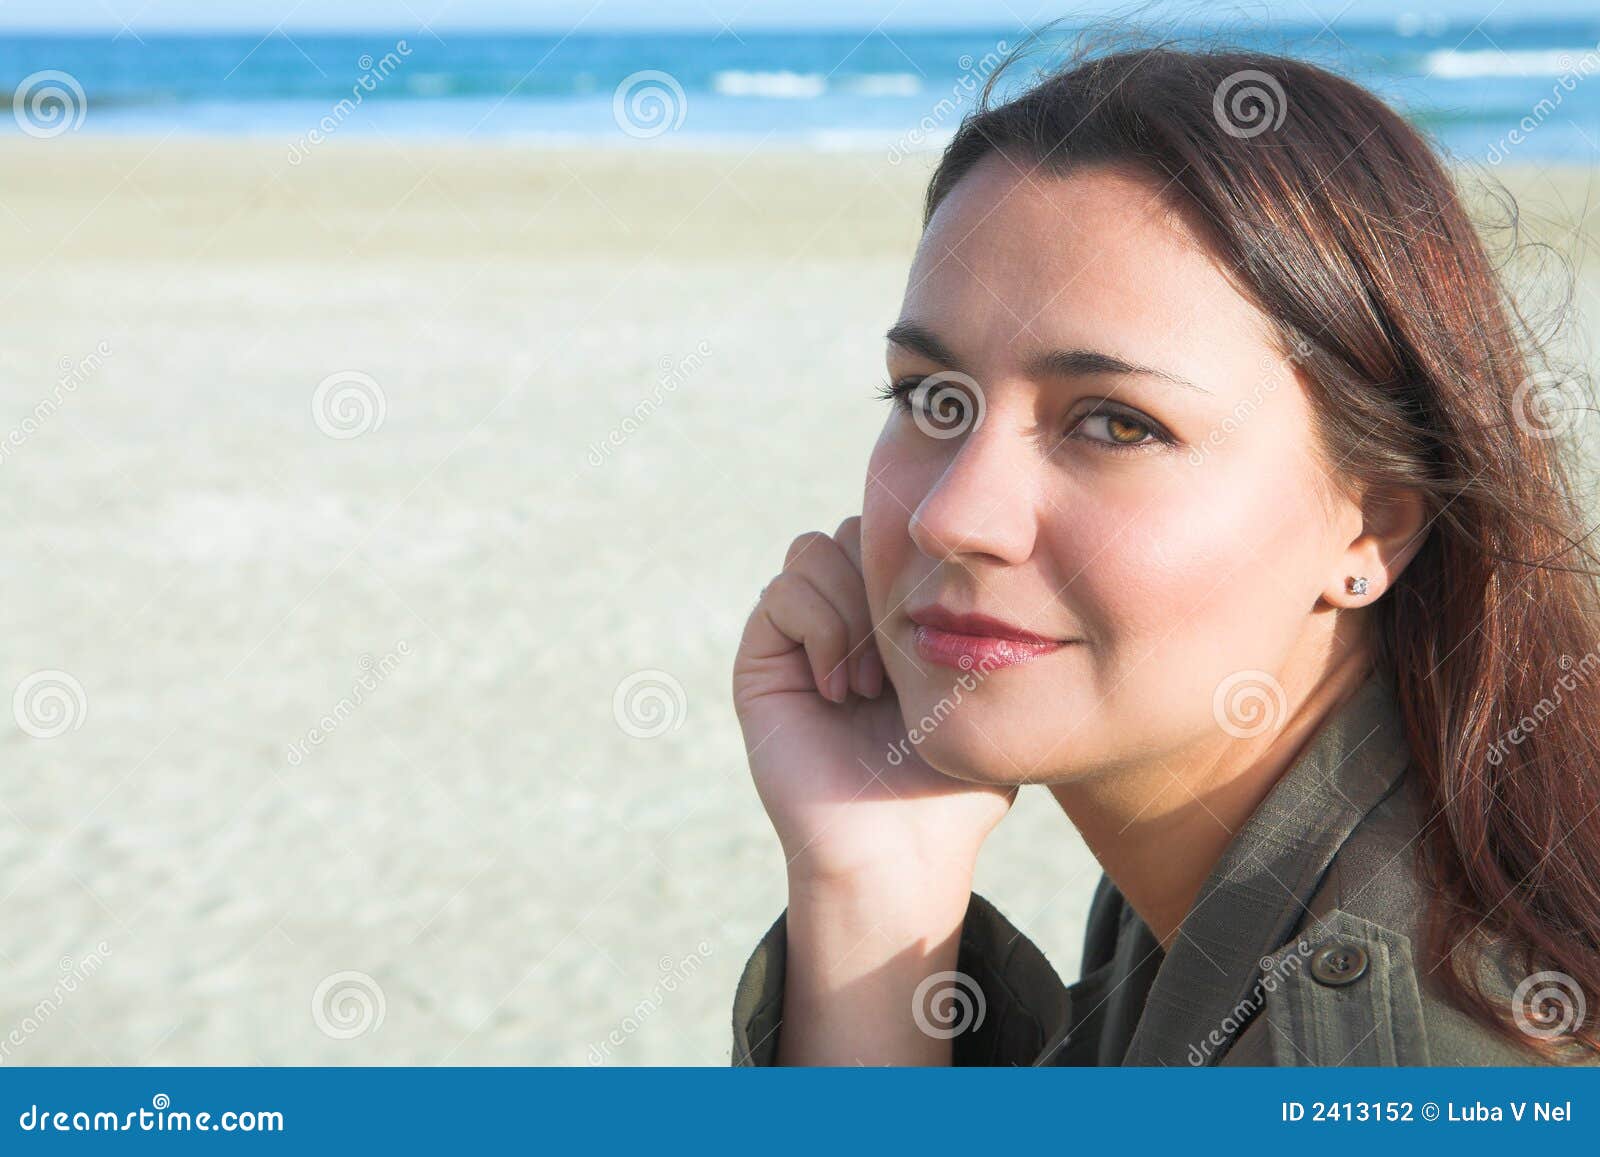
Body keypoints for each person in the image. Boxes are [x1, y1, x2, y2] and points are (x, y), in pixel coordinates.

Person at [728, 39, 1600, 1066]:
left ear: (1372, 524)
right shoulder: (1219, 879)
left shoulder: (1383, 1067)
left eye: (1117, 424)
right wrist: (875, 883)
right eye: (934, 398)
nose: (952, 517)